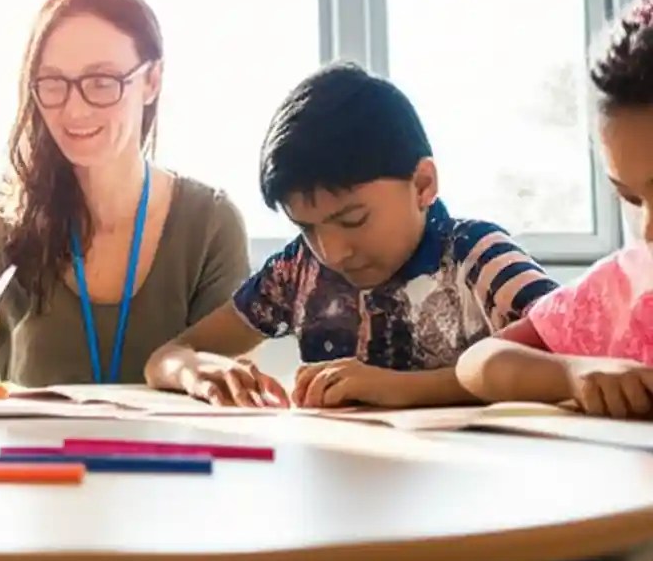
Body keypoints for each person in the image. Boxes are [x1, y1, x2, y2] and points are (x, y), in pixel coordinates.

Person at [0, 0, 250, 403]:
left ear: (152, 81)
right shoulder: (4, 213)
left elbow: (224, 379)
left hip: (171, 466)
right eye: (53, 83)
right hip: (39, 465)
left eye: (102, 82)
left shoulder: (211, 225)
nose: (75, 108)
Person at [145, 62, 558, 409]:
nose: (332, 252)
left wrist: (401, 389)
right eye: (306, 228)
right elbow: (165, 357)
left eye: (354, 220)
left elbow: (574, 349)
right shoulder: (297, 272)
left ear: (422, 184)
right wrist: (194, 370)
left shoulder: (477, 256)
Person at [457, 0, 653, 419]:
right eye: (631, 198)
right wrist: (570, 372)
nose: (648, 229)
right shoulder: (626, 288)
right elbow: (479, 362)